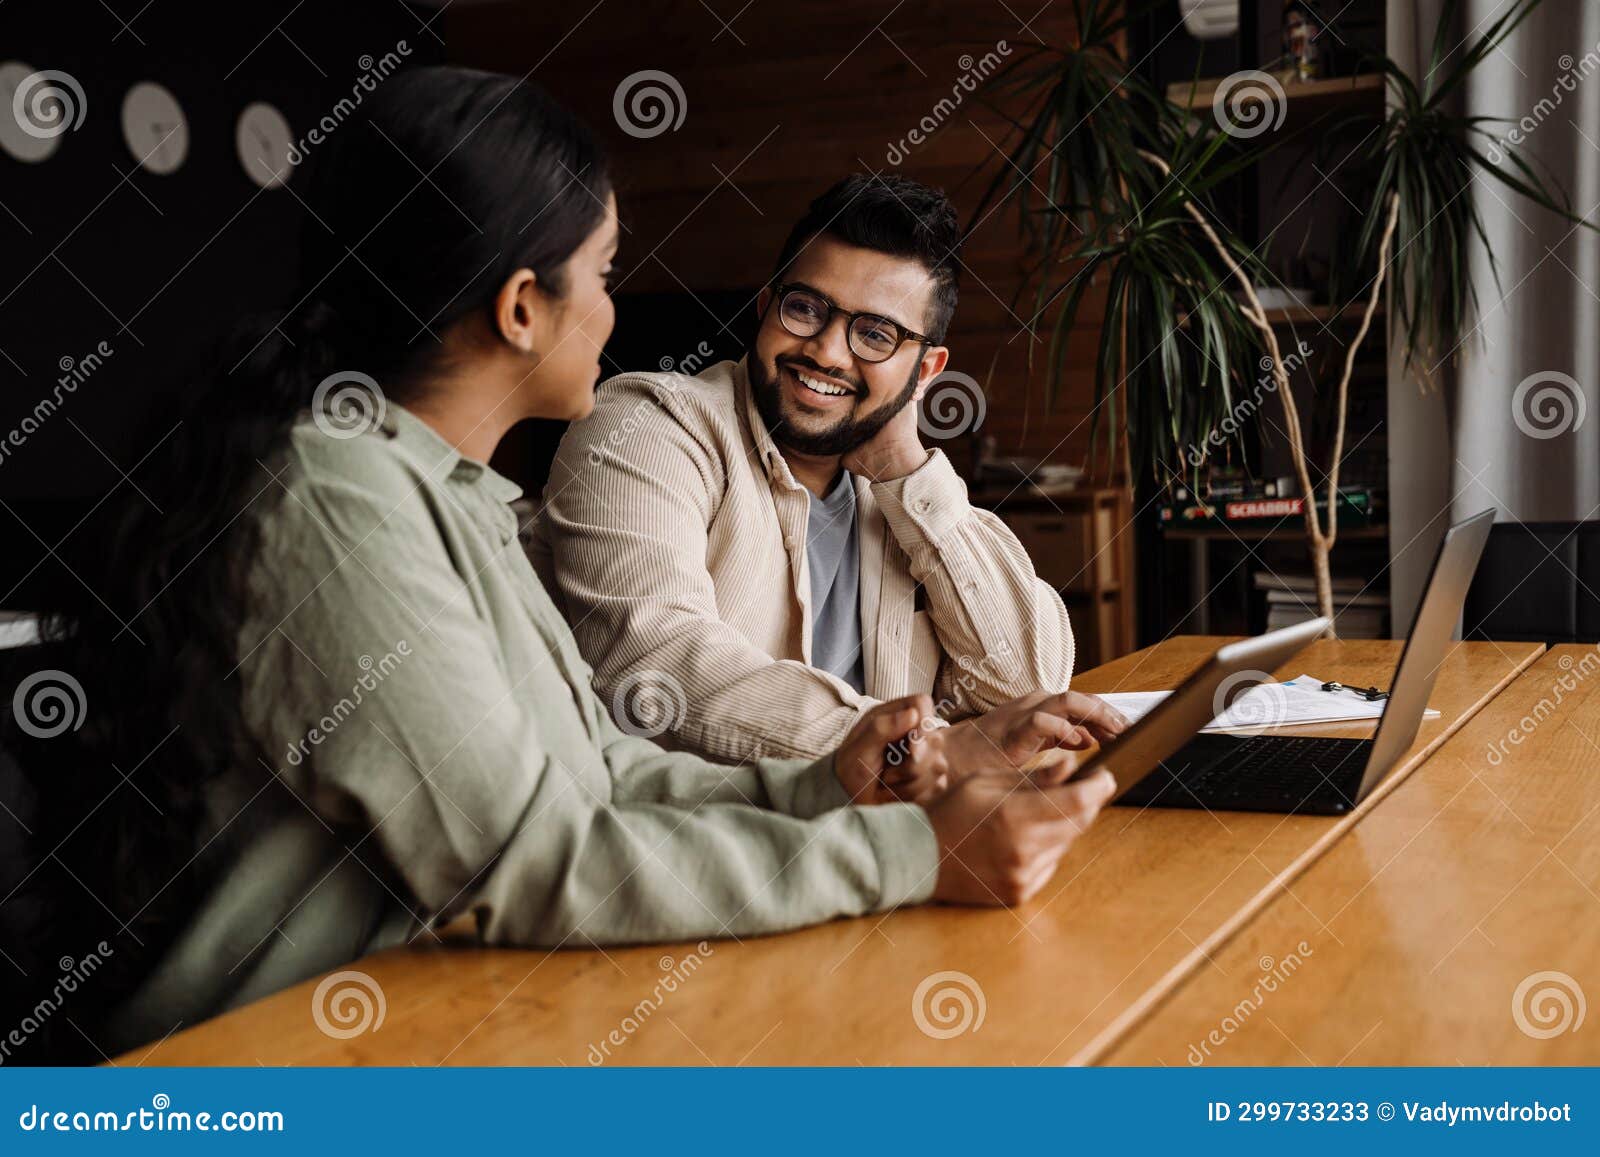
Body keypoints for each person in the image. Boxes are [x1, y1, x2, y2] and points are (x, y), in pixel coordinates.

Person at [0, 67, 1122, 1061]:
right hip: (269, 1071)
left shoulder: (455, 495)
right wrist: (911, 852)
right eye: (605, 271)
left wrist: (826, 782)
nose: (615, 308)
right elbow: (533, 858)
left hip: (443, 1021)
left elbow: (600, 774)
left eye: (874, 334)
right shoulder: (342, 501)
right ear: (523, 308)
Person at [531, 174, 1077, 765]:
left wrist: (907, 472)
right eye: (805, 308)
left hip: (883, 815)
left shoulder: (899, 486)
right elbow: (657, 662)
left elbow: (1028, 687)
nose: (826, 351)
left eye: (876, 334)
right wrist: (915, 752)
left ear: (924, 372)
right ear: (766, 308)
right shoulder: (646, 427)